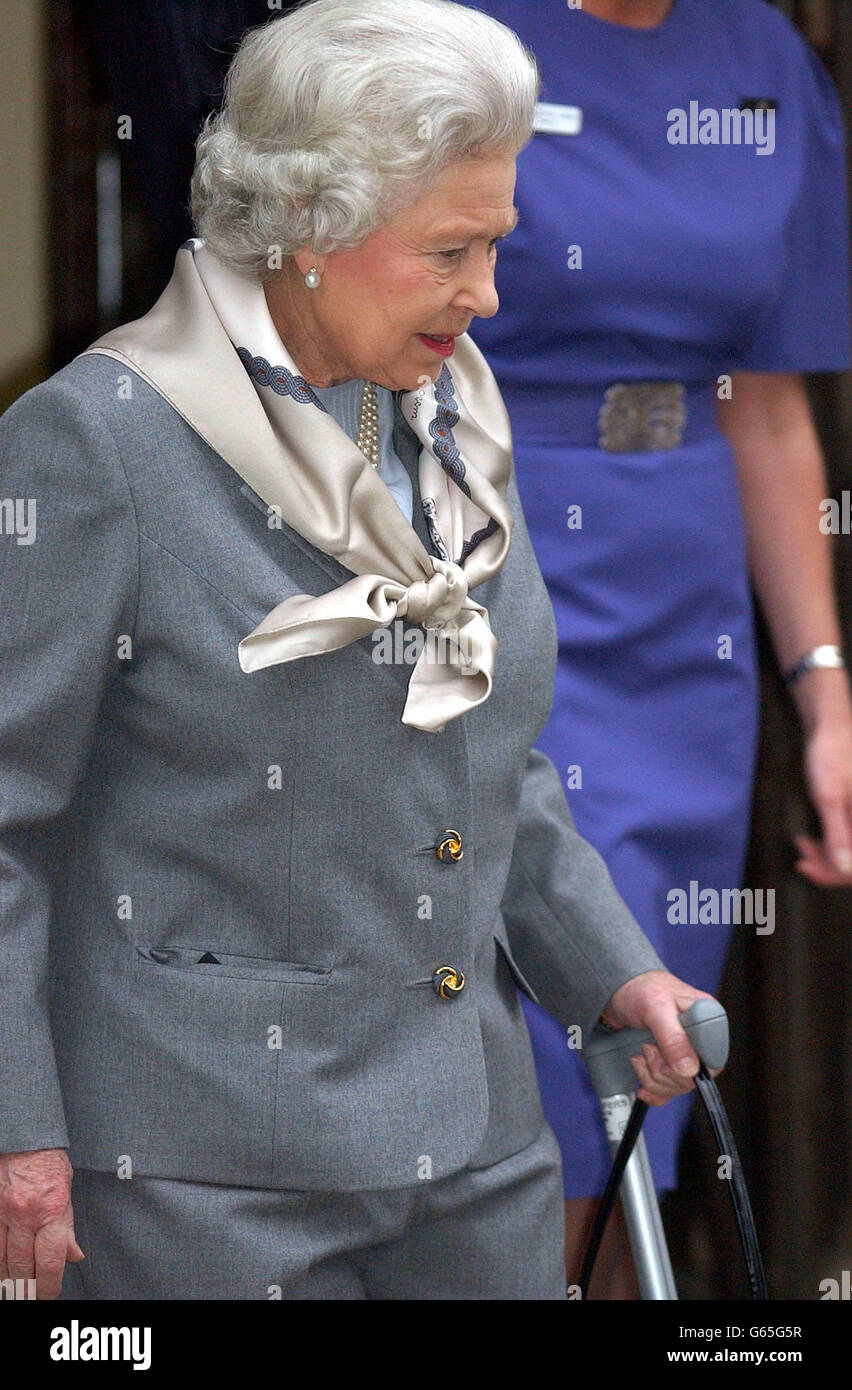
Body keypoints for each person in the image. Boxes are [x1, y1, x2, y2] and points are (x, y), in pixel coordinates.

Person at [0, 0, 711, 1302]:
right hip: (205, 1176)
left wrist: (610, 967)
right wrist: (15, 1132)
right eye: (452, 250)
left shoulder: (453, 417)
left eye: (497, 244)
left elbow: (492, 754)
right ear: (311, 228)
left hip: (476, 1146)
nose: (488, 295)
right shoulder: (100, 444)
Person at [466, 0, 852, 1296]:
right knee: (547, 1056)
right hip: (487, 564)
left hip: (682, 617)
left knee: (655, 1065)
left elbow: (770, 403)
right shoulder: (440, 29)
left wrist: (825, 690)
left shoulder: (761, 62)